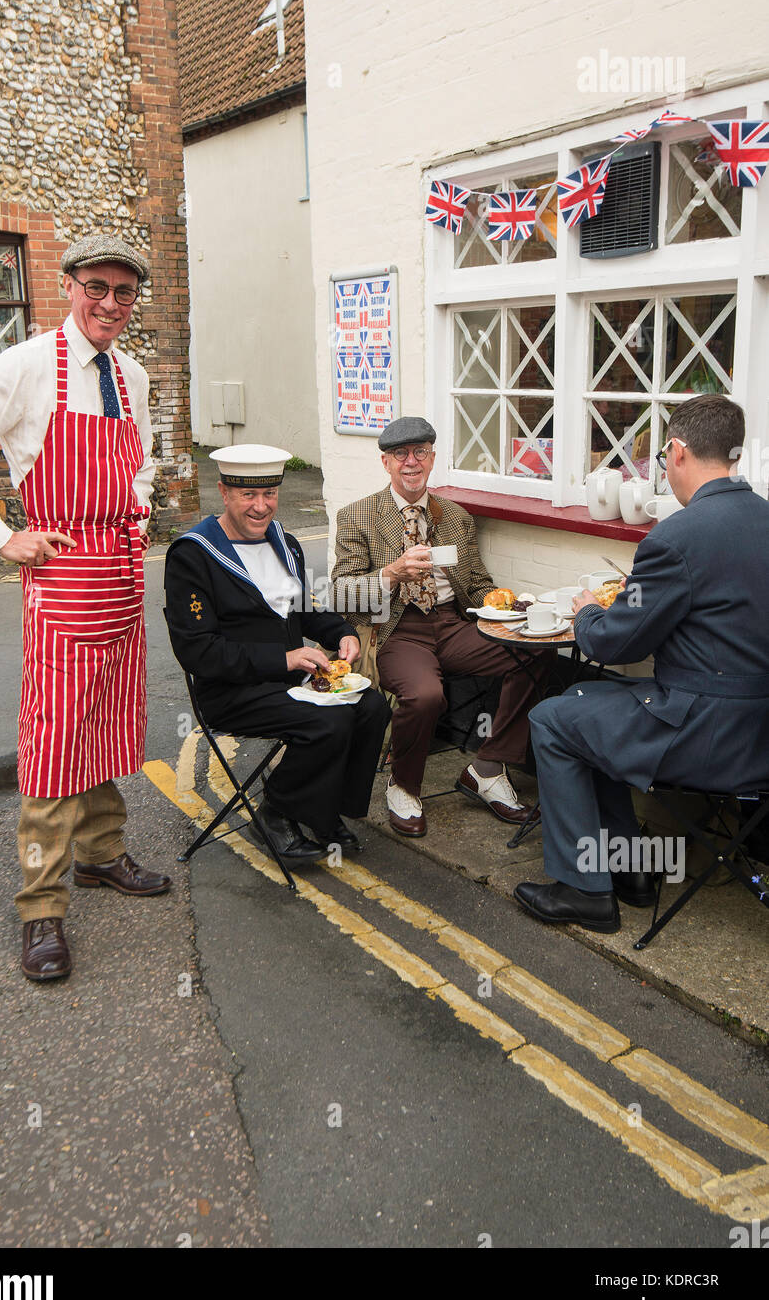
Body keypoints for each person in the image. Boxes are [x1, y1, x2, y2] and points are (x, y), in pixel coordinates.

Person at [0, 234, 169, 982]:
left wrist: (142, 503)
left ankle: (100, 855)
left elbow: (144, 459)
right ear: (69, 286)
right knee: (55, 742)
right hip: (60, 578)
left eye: (125, 293)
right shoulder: (27, 366)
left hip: (120, 574)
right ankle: (40, 907)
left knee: (107, 720)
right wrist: (1, 537)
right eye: (98, 287)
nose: (110, 304)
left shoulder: (132, 376)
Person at [516, 394, 769, 933]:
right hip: (758, 734)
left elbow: (614, 644)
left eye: (661, 459)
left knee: (552, 719)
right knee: (592, 709)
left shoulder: (676, 537)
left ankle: (585, 891)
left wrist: (588, 614)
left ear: (677, 452)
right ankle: (629, 871)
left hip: (703, 731)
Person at [164, 445, 391, 862]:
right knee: (330, 719)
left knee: (372, 706)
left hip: (289, 684)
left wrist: (342, 633)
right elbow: (198, 652)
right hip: (231, 692)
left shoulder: (284, 542)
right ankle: (275, 812)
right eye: (248, 495)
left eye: (269, 493)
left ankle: (324, 812)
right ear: (224, 493)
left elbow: (304, 609)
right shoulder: (193, 555)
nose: (260, 506)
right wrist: (283, 660)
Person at [332, 416, 548, 836]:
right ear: (386, 463)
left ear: (432, 458)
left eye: (421, 452)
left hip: (453, 623)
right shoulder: (357, 516)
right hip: (398, 629)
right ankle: (404, 785)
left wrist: (507, 603)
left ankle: (486, 767)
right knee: (426, 694)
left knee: (535, 651)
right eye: (401, 454)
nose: (411, 462)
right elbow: (341, 595)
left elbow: (478, 583)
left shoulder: (456, 517)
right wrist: (392, 573)